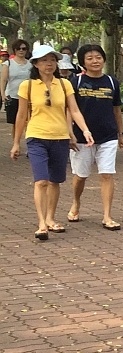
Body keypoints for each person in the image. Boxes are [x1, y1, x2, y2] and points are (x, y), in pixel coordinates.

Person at [9, 44, 94, 240]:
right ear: (36, 64)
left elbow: (74, 110)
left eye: (53, 60)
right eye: (44, 60)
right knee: (41, 181)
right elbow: (21, 116)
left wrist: (84, 130)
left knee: (55, 181)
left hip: (60, 138)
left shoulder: (64, 84)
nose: (49, 64)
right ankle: (41, 224)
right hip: (36, 137)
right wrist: (16, 143)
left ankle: (50, 218)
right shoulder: (27, 86)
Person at [67, 44, 123, 230]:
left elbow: (116, 110)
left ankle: (107, 216)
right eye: (90, 58)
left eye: (98, 57)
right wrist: (69, 133)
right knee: (80, 176)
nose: (95, 61)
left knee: (107, 174)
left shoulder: (111, 82)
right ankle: (76, 203)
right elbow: (69, 109)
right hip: (81, 137)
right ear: (83, 62)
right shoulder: (75, 82)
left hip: (108, 135)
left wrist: (120, 135)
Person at [1, 40, 33, 136]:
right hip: (13, 96)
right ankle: (16, 144)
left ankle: (29, 146)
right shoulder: (8, 64)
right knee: (16, 123)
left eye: (24, 48)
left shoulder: (31, 64)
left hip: (28, 97)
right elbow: (3, 80)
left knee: (29, 122)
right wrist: (3, 94)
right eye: (18, 48)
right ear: (14, 50)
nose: (21, 50)